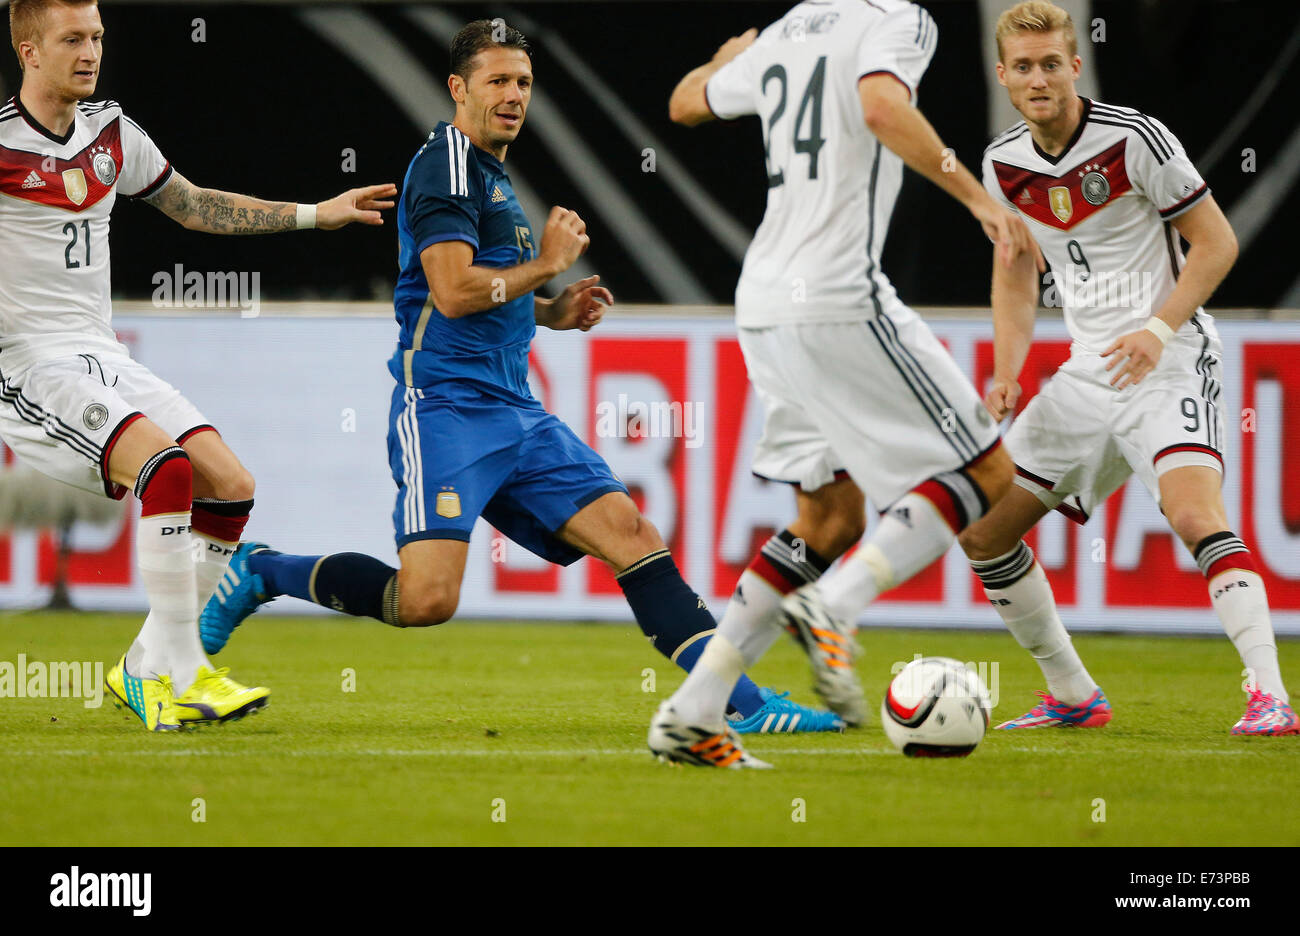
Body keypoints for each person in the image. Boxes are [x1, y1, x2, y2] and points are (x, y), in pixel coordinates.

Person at [200, 19, 842, 736]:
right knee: (427, 601)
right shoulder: (444, 166)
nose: (514, 96)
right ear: (458, 88)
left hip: (515, 410)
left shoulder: (488, 173)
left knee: (633, 534)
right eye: (497, 81)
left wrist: (550, 312)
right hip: (445, 408)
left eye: (524, 83)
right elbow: (450, 292)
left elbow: (482, 295)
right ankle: (264, 571)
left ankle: (739, 705)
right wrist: (544, 268)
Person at [648, 0, 1042, 767]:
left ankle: (692, 715)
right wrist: (977, 198)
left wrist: (727, 62)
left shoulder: (789, 28)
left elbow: (685, 101)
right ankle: (836, 605)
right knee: (988, 472)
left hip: (762, 303)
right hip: (838, 295)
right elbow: (879, 103)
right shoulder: (900, 19)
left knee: (829, 518)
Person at [1, 0, 397, 730]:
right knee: (168, 469)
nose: (90, 51)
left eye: (96, 36)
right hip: (31, 365)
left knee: (230, 485)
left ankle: (141, 669)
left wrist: (317, 212)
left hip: (102, 354)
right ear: (29, 50)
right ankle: (188, 673)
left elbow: (194, 206)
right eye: (72, 39)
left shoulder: (111, 132)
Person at [957, 0, 1294, 735]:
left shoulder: (1134, 137)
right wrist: (1008, 370)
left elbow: (1217, 244)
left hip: (1168, 361)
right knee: (983, 533)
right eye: (1024, 67)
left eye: (1052, 63)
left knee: (1194, 514)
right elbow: (1016, 272)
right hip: (1086, 375)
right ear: (1003, 76)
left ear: (1076, 66)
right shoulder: (1001, 161)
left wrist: (1155, 328)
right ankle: (1073, 693)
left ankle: (1270, 696)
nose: (1039, 78)